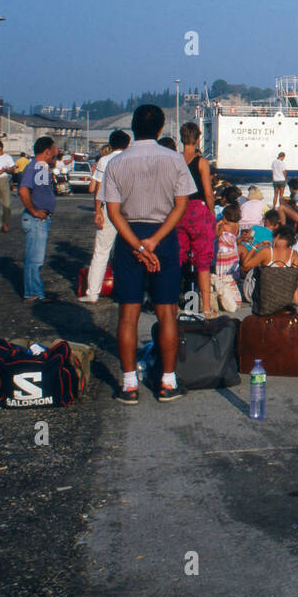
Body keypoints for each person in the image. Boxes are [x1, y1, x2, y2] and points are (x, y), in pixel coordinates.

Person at [102, 104, 194, 404]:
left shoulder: (116, 162)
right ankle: (168, 382)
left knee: (127, 315)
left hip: (129, 239)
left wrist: (139, 245)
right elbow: (181, 206)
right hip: (164, 238)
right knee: (167, 311)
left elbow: (113, 212)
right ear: (160, 128)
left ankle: (129, 385)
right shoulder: (174, 160)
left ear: (131, 127)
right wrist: (153, 242)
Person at [77, 129, 130, 304]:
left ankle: (92, 292)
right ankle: (127, 291)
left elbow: (98, 189)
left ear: (111, 144)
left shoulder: (104, 161)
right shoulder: (131, 160)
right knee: (128, 251)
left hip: (108, 208)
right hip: (129, 210)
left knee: (101, 251)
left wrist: (97, 211)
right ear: (127, 144)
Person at [177, 122, 215, 317]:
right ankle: (206, 308)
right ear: (198, 138)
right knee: (202, 261)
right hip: (198, 212)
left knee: (177, 258)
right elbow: (208, 193)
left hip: (178, 211)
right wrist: (211, 213)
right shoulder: (201, 162)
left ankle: (171, 301)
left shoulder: (174, 160)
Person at [18, 137, 60, 301]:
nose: (56, 152)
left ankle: (35, 291)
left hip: (42, 219)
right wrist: (34, 211)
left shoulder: (43, 167)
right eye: (53, 149)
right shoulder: (33, 168)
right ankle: (33, 293)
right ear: (47, 151)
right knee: (34, 259)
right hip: (36, 220)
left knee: (37, 258)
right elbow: (23, 190)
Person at [241, 222, 298, 314]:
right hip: (283, 298)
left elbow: (245, 266)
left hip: (263, 296)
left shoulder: (266, 251)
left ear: (277, 236)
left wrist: (255, 246)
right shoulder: (294, 254)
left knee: (253, 271)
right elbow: (295, 278)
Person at [215, 204, 243, 283]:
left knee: (222, 276)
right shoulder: (237, 226)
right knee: (231, 274)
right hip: (232, 252)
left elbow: (215, 235)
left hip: (223, 253)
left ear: (225, 217)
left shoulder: (223, 227)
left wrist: (217, 225)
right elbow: (236, 236)